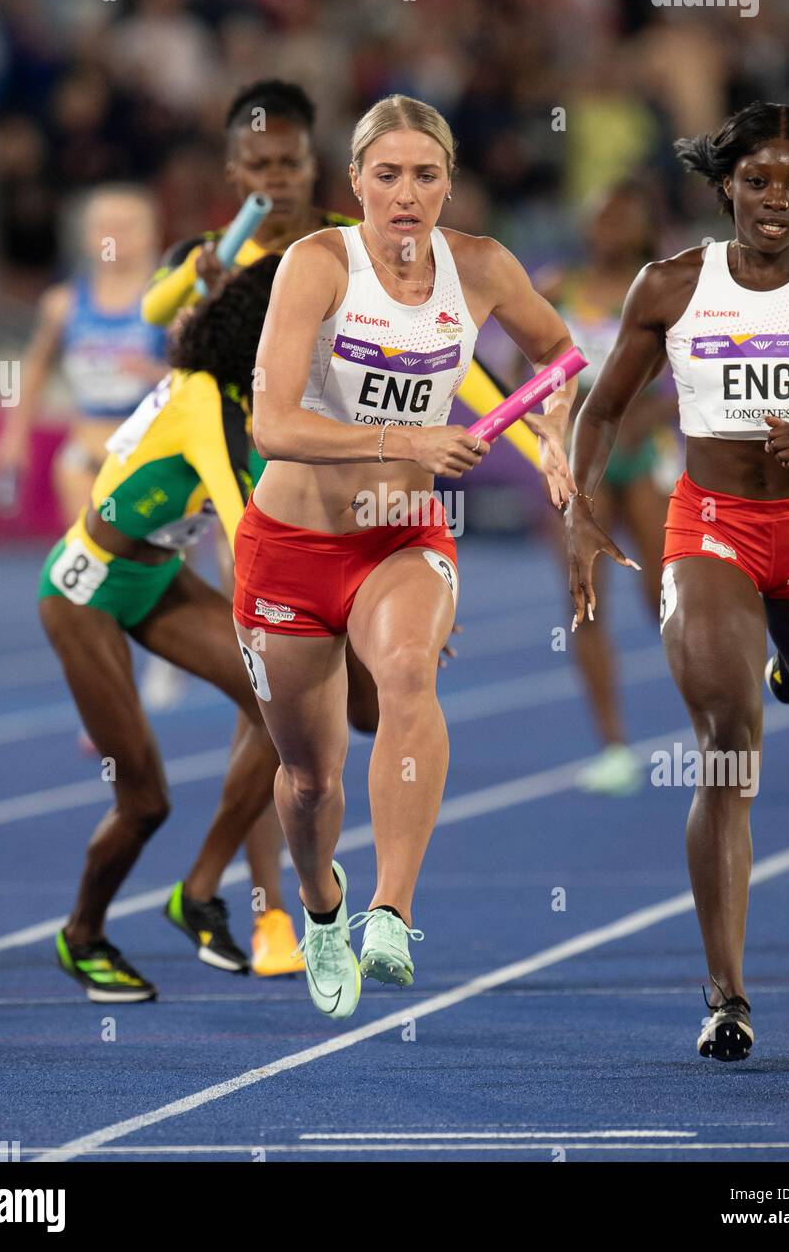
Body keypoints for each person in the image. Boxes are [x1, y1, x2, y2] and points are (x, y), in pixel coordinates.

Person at [566, 102, 789, 1060]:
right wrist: (584, 514)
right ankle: (727, 996)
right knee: (725, 744)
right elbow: (603, 409)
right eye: (758, 182)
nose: (776, 200)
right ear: (726, 188)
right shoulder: (671, 287)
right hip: (709, 526)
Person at [235, 94, 578, 1020]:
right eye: (386, 175)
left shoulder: (482, 266)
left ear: (449, 183)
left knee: (407, 677)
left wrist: (552, 432)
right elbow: (270, 424)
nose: (405, 194)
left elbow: (559, 356)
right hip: (291, 549)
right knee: (310, 779)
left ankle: (391, 909)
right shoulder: (316, 266)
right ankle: (322, 909)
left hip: (402, 534)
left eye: (425, 175)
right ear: (355, 183)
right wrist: (408, 438)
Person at [141, 80, 378, 975]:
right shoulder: (207, 254)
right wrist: (193, 289)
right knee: (277, 709)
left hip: (352, 496)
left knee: (357, 709)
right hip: (253, 498)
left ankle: (237, 892)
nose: (276, 179)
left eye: (290, 162)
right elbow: (156, 322)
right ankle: (270, 908)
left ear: (315, 163)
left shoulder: (349, 248)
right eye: (258, 165)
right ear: (233, 170)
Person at [41, 260, 282, 1001]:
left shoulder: (237, 390)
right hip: (85, 592)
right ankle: (82, 935)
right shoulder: (207, 401)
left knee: (285, 710)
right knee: (145, 802)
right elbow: (244, 527)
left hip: (155, 579)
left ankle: (200, 891)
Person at [540, 181, 678, 793]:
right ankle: (614, 745)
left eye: (622, 218)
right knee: (585, 601)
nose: (609, 229)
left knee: (663, 592)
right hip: (572, 467)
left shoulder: (659, 292)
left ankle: (717, 706)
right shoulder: (555, 290)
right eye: (601, 217)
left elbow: (680, 376)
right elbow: (527, 370)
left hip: (638, 456)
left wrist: (631, 419)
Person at [0, 185, 167, 524]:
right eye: (104, 226)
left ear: (153, 233)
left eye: (127, 226)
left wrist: (156, 374)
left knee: (157, 569)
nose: (114, 237)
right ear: (86, 235)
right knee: (90, 561)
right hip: (85, 452)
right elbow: (35, 370)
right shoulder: (63, 304)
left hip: (153, 455)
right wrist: (13, 436)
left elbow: (204, 378)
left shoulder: (172, 304)